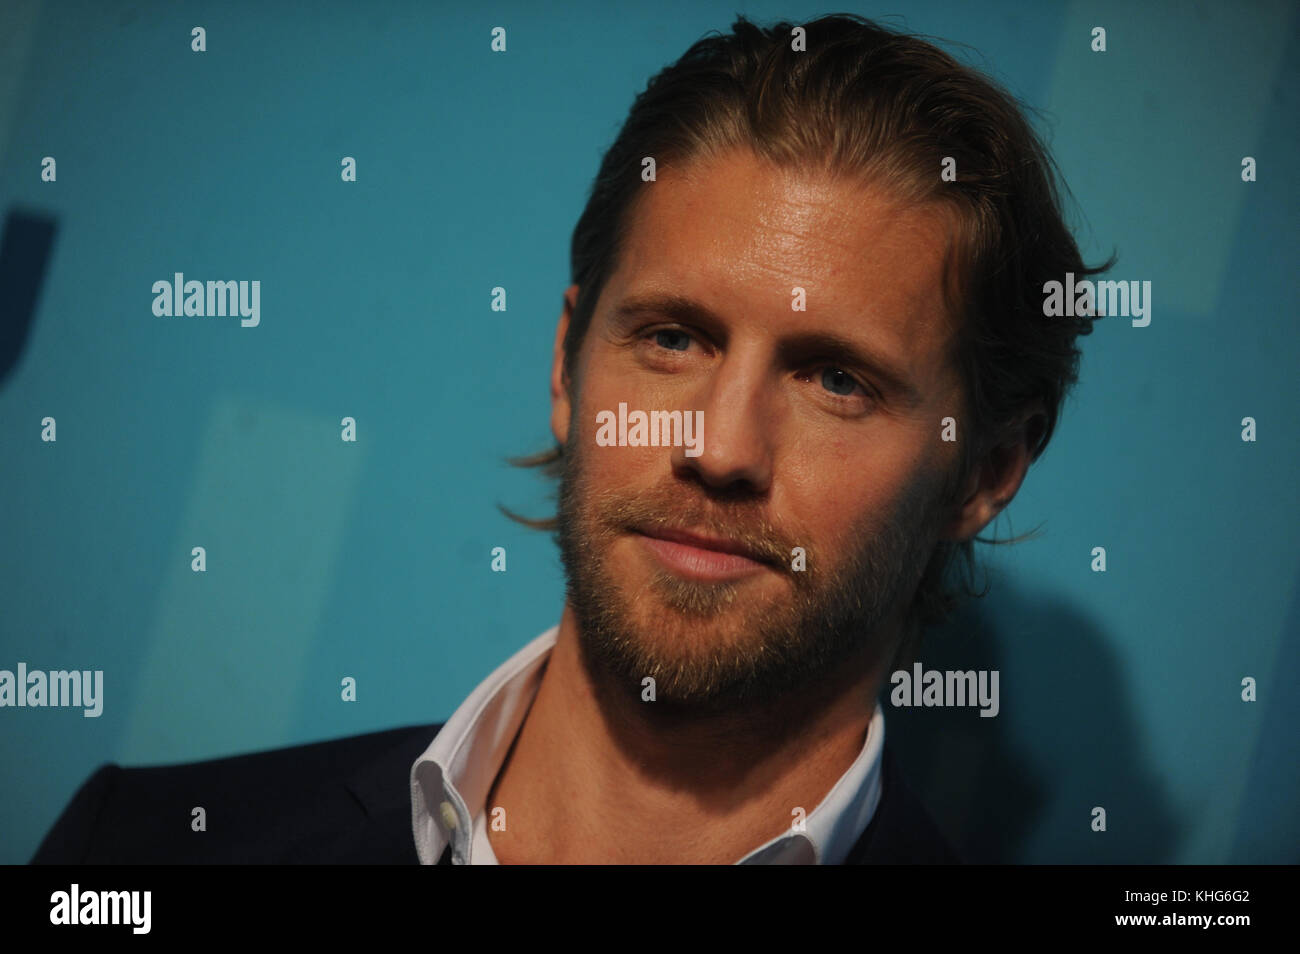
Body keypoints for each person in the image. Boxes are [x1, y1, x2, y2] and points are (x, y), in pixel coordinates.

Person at [32, 13, 1107, 865]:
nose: (719, 449)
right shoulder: (136, 852)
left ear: (988, 469)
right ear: (566, 362)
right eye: (673, 338)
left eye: (835, 380)